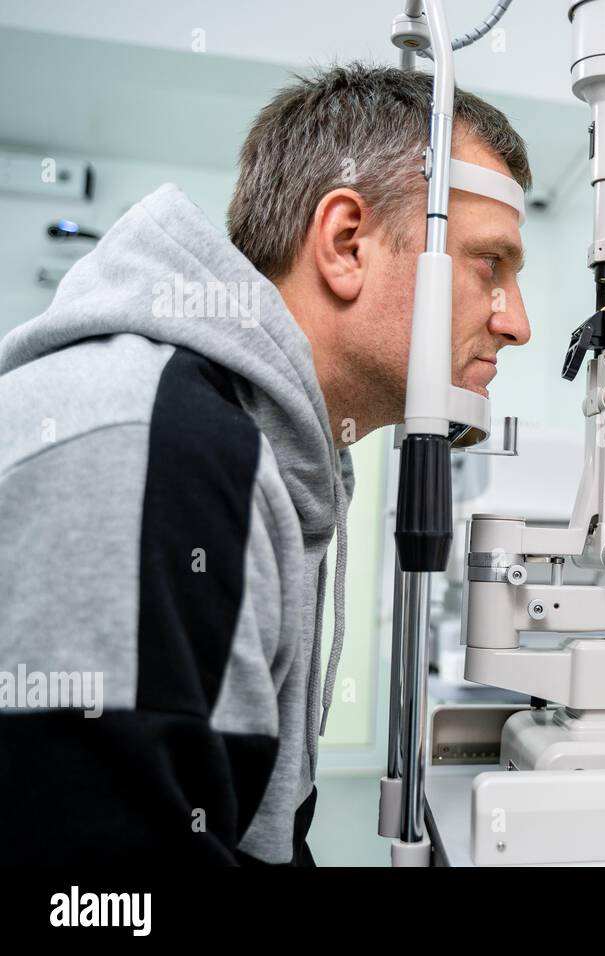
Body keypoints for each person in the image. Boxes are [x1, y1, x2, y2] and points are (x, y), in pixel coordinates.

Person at [0, 64, 531, 864]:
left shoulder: (266, 456)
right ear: (347, 244)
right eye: (491, 265)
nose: (517, 323)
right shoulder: (152, 442)